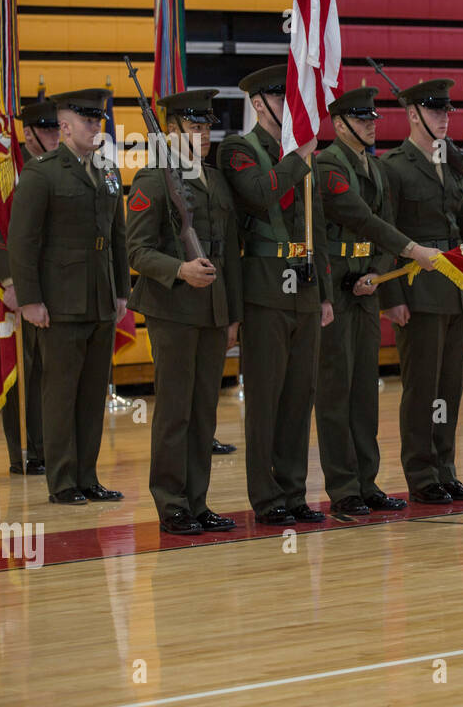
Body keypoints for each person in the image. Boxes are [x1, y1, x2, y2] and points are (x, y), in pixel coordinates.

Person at [380, 79, 463, 504]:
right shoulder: (395, 166)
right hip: (417, 288)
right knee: (422, 386)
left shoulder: (451, 165)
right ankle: (421, 474)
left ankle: (445, 468)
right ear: (412, 115)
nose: (444, 118)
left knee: (448, 387)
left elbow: (462, 224)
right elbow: (386, 233)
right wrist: (392, 296)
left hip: (454, 287)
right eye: (435, 112)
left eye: (447, 112)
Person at [315, 87, 441, 516]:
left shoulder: (374, 165)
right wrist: (412, 251)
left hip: (366, 285)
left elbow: (385, 225)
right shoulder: (330, 163)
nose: (371, 124)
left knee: (365, 390)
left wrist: (380, 272)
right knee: (336, 389)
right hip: (334, 287)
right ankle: (343, 488)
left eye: (372, 118)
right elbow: (359, 216)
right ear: (340, 124)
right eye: (361, 118)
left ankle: (367, 482)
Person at [219, 64, 331, 526]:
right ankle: (266, 498)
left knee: (297, 398)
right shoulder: (237, 149)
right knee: (265, 397)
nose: (292, 107)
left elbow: (316, 225)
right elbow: (259, 195)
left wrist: (324, 293)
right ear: (259, 104)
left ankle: (294, 491)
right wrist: (298, 158)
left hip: (304, 289)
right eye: (283, 99)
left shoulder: (298, 152)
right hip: (264, 288)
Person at [127, 88, 242, 535]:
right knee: (176, 410)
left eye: (208, 125)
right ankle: (171, 503)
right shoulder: (152, 181)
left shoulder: (213, 180)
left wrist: (232, 313)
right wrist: (180, 269)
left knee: (204, 412)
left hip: (213, 310)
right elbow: (135, 251)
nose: (205, 134)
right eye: (195, 126)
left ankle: (198, 500)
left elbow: (229, 251)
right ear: (171, 130)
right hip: (172, 309)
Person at [8, 88, 128, 505]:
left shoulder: (108, 171)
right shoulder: (43, 173)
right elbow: (22, 241)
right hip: (58, 301)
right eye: (88, 121)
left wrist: (121, 291)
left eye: (99, 121)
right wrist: (30, 300)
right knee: (60, 394)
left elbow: (117, 236)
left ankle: (88, 477)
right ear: (64, 126)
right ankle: (61, 481)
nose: (97, 127)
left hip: (99, 298)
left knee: (92, 393)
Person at [0, 99, 58, 475]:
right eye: (47, 130)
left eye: (59, 128)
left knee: (55, 371)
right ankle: (26, 451)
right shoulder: (6, 167)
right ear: (27, 134)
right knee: (24, 371)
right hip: (16, 287)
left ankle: (56, 449)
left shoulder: (66, 165)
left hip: (59, 283)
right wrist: (11, 281)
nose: (56, 135)